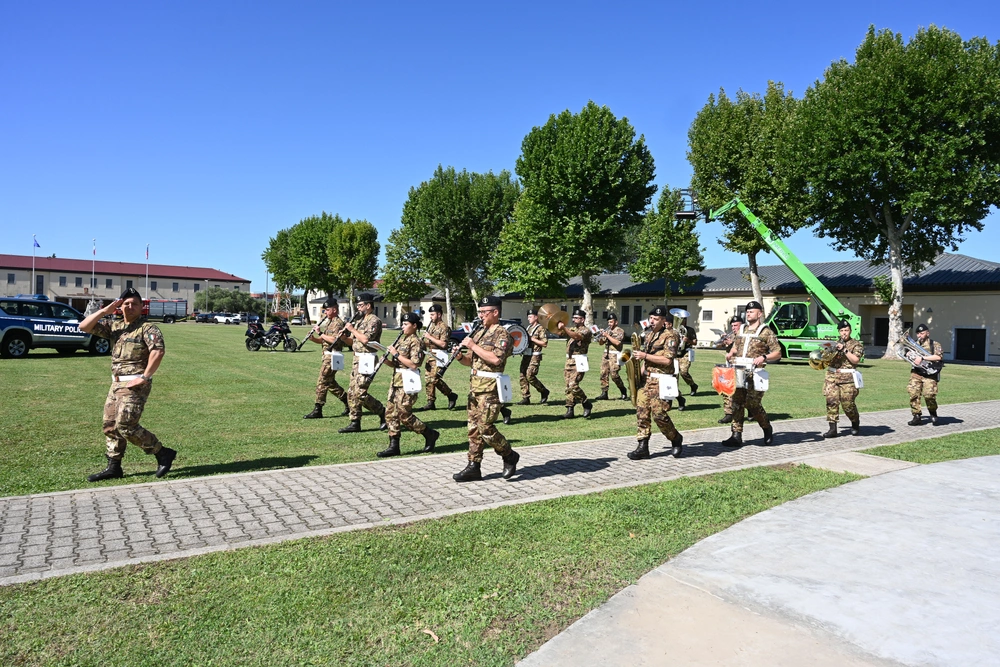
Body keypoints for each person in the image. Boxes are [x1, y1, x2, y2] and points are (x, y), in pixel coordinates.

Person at [79, 287, 176, 482]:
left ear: (141, 307)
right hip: (116, 384)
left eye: (134, 304)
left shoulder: (147, 328)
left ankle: (162, 452)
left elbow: (158, 351)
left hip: (134, 384)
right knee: (110, 426)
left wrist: (145, 377)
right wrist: (104, 311)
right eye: (126, 304)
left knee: (126, 425)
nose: (130, 307)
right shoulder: (115, 326)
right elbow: (84, 327)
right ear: (120, 307)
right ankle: (114, 467)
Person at [452, 296, 520, 482]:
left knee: (485, 428)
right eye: (480, 312)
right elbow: (470, 361)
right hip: (475, 387)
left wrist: (472, 345)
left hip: (491, 388)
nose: (480, 315)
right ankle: (473, 466)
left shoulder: (503, 334)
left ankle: (509, 455)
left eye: (484, 312)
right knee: (473, 428)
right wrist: (460, 357)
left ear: (495, 312)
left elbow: (496, 360)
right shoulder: (479, 332)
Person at [377, 312, 440, 457]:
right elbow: (397, 364)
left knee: (404, 414)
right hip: (396, 380)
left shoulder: (417, 342)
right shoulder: (402, 340)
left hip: (408, 380)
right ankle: (394, 446)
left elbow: (414, 364)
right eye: (402, 324)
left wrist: (396, 354)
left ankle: (429, 433)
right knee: (390, 413)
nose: (403, 327)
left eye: (406, 324)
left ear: (414, 326)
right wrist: (387, 361)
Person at [627, 305, 684, 460]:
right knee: (642, 413)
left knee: (659, 415)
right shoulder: (650, 334)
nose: (652, 321)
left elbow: (667, 360)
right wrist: (638, 374)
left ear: (663, 320)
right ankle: (642, 447)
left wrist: (644, 356)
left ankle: (675, 438)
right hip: (647, 379)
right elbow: (646, 358)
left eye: (656, 319)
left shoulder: (671, 335)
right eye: (651, 318)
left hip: (661, 380)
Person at [722, 301, 781, 447]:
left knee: (752, 404)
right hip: (739, 371)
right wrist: (730, 353)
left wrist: (764, 357)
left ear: (759, 314)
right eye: (747, 311)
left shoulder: (766, 332)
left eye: (752, 311)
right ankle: (736, 435)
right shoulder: (742, 329)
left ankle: (766, 428)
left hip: (755, 373)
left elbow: (777, 353)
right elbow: (736, 347)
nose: (748, 313)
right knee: (736, 402)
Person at [338, 294, 387, 433]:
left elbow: (365, 340)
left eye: (360, 305)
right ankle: (355, 421)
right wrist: (344, 338)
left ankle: (382, 412)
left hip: (367, 359)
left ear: (368, 305)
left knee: (360, 392)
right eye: (358, 305)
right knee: (352, 392)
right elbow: (353, 341)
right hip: (357, 359)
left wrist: (352, 329)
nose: (358, 308)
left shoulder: (374, 321)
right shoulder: (360, 321)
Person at [302, 298, 350, 419]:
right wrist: (313, 338)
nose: (325, 312)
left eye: (327, 310)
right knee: (330, 383)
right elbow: (324, 340)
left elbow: (334, 340)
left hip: (333, 356)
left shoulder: (338, 323)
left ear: (334, 309)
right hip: (327, 355)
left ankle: (318, 409)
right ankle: (348, 402)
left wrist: (320, 333)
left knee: (322, 381)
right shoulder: (329, 322)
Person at [823, 320, 865, 438]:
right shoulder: (834, 343)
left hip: (848, 378)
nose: (844, 333)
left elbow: (856, 360)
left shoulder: (856, 344)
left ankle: (855, 421)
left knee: (847, 404)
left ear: (850, 331)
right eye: (841, 330)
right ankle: (832, 429)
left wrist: (844, 350)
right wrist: (827, 351)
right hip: (832, 376)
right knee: (831, 401)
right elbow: (825, 358)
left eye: (846, 330)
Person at [419, 304, 459, 411]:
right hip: (431, 354)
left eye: (432, 314)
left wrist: (429, 337)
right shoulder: (432, 327)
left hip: (440, 355)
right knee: (428, 379)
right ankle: (430, 402)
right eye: (430, 314)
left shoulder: (444, 328)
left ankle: (450, 395)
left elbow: (443, 344)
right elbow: (429, 343)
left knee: (434, 379)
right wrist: (422, 342)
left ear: (439, 314)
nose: (430, 317)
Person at [556, 308, 594, 419]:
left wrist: (564, 328)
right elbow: (558, 332)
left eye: (577, 318)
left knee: (573, 384)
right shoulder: (571, 329)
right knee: (568, 386)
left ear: (582, 320)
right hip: (569, 360)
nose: (574, 320)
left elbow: (576, 336)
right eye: (573, 318)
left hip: (580, 360)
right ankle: (570, 409)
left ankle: (586, 403)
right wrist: (556, 324)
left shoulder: (586, 331)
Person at [907, 324, 944, 426]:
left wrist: (923, 358)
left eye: (922, 333)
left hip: (929, 374)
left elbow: (938, 357)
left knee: (929, 395)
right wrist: (908, 355)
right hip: (916, 373)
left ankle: (933, 412)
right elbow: (911, 357)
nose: (919, 335)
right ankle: (916, 416)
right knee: (913, 394)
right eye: (918, 334)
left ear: (928, 333)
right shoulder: (914, 344)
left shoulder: (934, 344)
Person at [517, 308, 550, 405]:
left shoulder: (540, 328)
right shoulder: (528, 328)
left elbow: (544, 343)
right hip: (526, 354)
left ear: (536, 317)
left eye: (530, 317)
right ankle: (525, 397)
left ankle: (543, 390)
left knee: (530, 375)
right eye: (528, 317)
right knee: (522, 375)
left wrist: (532, 339)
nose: (528, 319)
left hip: (535, 355)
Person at [596, 313, 628, 401]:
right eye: (608, 322)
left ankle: (623, 390)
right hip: (606, 354)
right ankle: (604, 393)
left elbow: (617, 343)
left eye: (611, 322)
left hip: (615, 355)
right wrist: (601, 336)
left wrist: (607, 336)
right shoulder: (608, 331)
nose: (609, 324)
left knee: (614, 375)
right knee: (603, 373)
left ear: (616, 322)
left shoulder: (620, 331)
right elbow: (601, 343)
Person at [717, 315, 743, 424]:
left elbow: (744, 350)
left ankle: (751, 411)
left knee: (743, 391)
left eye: (736, 325)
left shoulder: (745, 335)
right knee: (726, 388)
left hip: (742, 366)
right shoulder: (731, 335)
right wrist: (722, 341)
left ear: (742, 325)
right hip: (730, 366)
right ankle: (728, 413)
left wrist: (731, 344)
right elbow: (717, 346)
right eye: (732, 326)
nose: (733, 328)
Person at [662, 316, 687, 410]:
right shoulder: (662, 333)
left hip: (671, 361)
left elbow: (671, 349)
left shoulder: (673, 334)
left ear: (670, 324)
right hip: (662, 361)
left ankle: (680, 400)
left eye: (666, 324)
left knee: (671, 384)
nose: (664, 325)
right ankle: (666, 403)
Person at [677, 318, 699, 396]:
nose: (680, 321)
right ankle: (675, 391)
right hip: (675, 353)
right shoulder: (673, 330)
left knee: (683, 372)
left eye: (682, 319)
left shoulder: (690, 330)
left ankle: (693, 385)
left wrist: (688, 340)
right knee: (674, 373)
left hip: (685, 353)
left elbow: (695, 342)